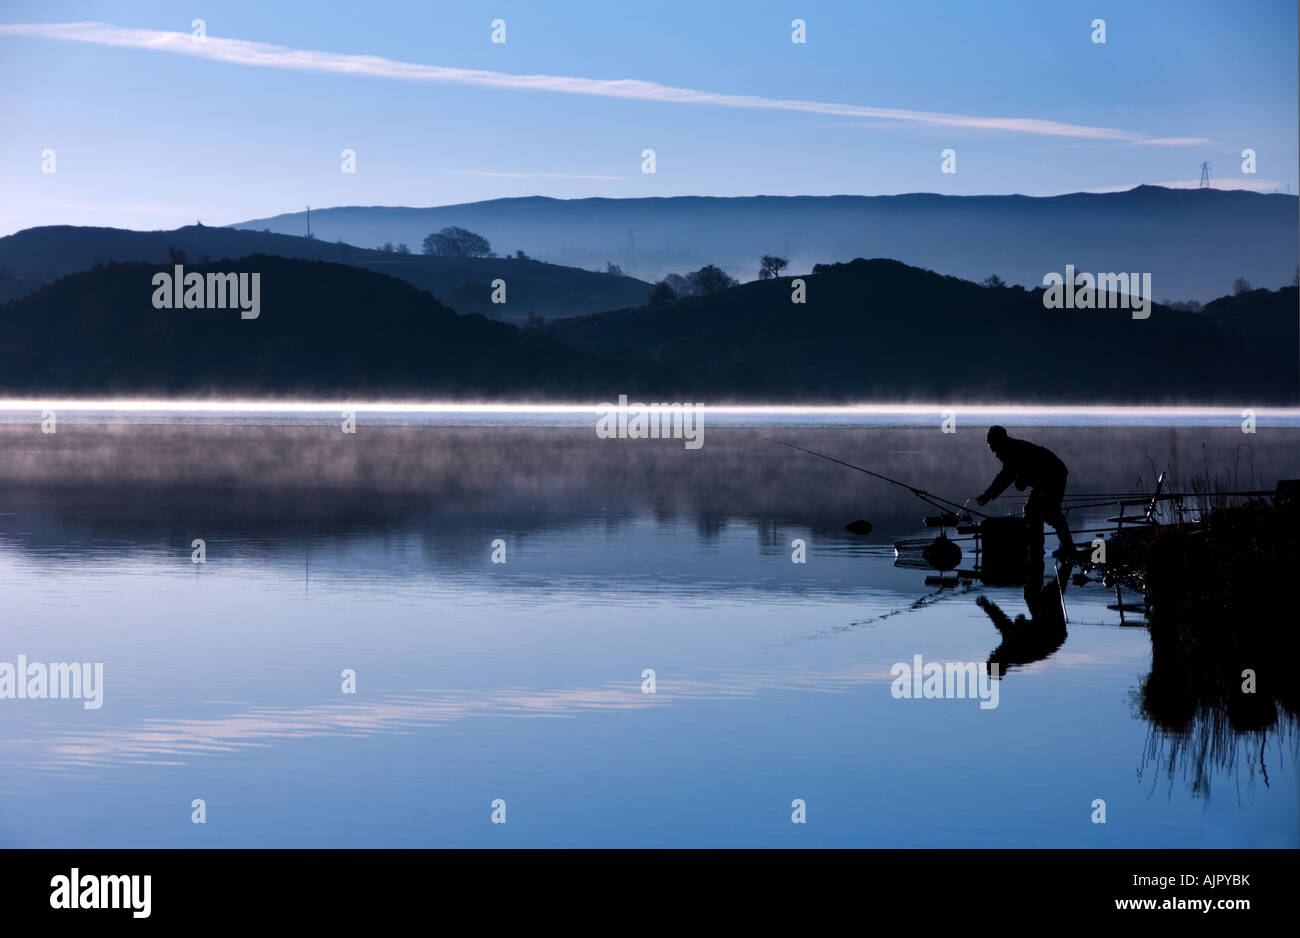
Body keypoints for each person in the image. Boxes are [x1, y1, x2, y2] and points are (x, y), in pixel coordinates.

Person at [975, 426, 1077, 558]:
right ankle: (1040, 547)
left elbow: (1009, 475)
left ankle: (1050, 548)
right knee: (1034, 511)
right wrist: (989, 494)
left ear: (998, 441)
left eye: (992, 445)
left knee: (1048, 513)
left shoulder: (1010, 450)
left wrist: (991, 494)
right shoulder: (1009, 448)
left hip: (1053, 476)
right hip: (1047, 478)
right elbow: (1008, 474)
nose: (993, 451)